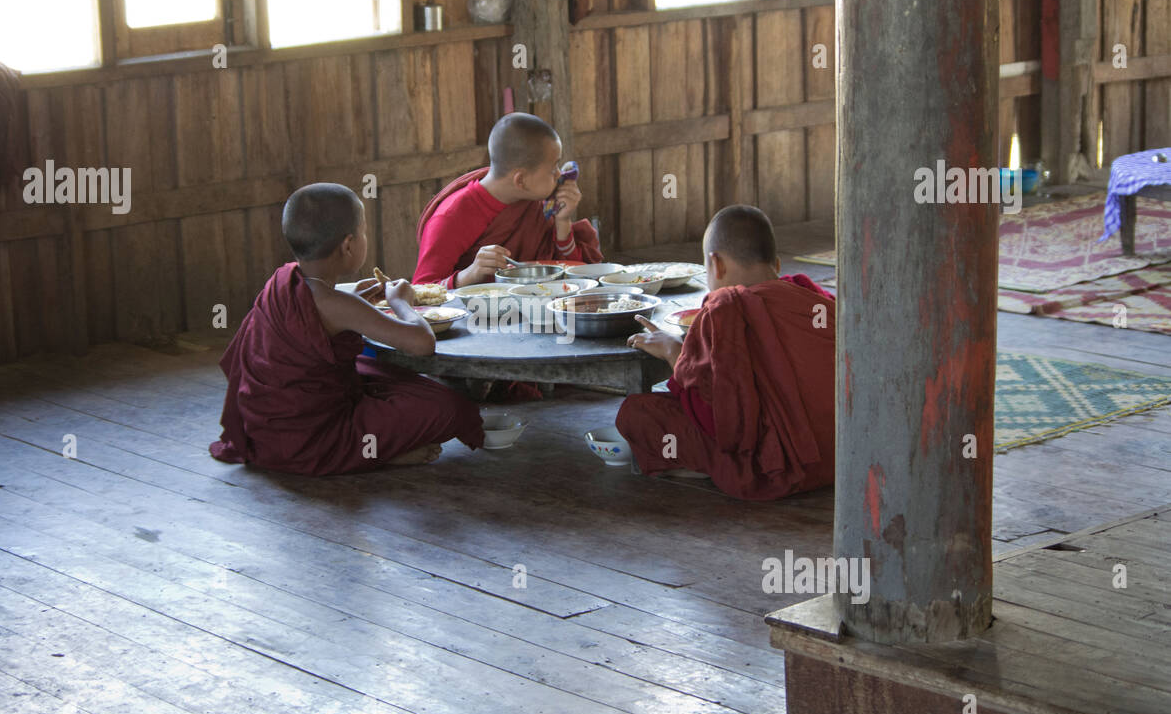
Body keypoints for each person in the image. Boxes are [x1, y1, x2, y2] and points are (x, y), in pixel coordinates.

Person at [210, 183, 484, 474]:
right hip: (309, 441)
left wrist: (355, 301)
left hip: (265, 430)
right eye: (364, 232)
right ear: (349, 245)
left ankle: (372, 449)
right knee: (448, 407)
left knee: (380, 372)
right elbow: (422, 344)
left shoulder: (283, 282)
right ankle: (370, 454)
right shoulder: (334, 303)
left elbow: (320, 320)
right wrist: (403, 302)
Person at [615, 205, 835, 500]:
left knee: (636, 413)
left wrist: (674, 353)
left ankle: (709, 470)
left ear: (715, 264)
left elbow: (720, 423)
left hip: (777, 470)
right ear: (778, 264)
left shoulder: (724, 310)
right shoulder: (814, 296)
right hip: (841, 457)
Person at [413, 113, 603, 288]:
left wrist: (563, 221)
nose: (559, 174)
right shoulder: (452, 216)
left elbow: (569, 275)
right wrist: (469, 274)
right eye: (553, 167)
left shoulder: (533, 199)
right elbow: (421, 292)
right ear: (520, 180)